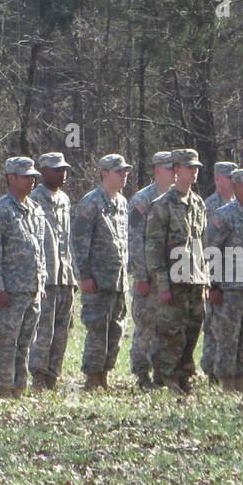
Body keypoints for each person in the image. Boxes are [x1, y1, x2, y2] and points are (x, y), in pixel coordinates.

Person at [0, 157, 47, 398]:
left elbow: (40, 249)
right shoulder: (0, 211)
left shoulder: (36, 210)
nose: (32, 180)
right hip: (9, 292)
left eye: (33, 176)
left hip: (32, 290)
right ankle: (4, 388)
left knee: (25, 343)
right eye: (26, 176)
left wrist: (42, 281)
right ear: (11, 178)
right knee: (7, 343)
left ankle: (20, 387)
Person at [144, 148, 207, 395]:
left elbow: (203, 243)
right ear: (177, 170)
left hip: (195, 280)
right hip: (173, 279)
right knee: (171, 331)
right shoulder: (162, 205)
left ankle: (184, 376)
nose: (194, 172)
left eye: (196, 168)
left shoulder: (198, 204)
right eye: (189, 167)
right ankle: (165, 377)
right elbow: (153, 247)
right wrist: (162, 283)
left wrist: (206, 278)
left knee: (193, 329)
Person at [71, 154, 132, 390]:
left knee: (116, 330)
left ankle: (105, 375)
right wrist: (84, 275)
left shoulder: (122, 202)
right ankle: (92, 378)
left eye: (125, 171)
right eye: (119, 171)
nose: (124, 175)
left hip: (118, 280)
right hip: (97, 279)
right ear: (105, 174)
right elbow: (79, 242)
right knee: (98, 330)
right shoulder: (91, 202)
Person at [205, 167, 243, 391]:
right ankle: (227, 384)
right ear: (237, 187)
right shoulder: (224, 216)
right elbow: (210, 251)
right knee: (227, 339)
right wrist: (214, 286)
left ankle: (242, 382)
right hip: (229, 290)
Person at [126, 150, 175, 388]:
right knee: (146, 326)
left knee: (167, 327)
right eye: (169, 168)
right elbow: (135, 241)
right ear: (157, 170)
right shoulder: (142, 200)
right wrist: (142, 275)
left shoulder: (177, 198)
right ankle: (142, 375)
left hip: (171, 277)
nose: (174, 173)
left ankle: (162, 373)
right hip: (149, 278)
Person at [28, 151, 76, 390]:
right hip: (46, 275)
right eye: (57, 169)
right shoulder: (34, 199)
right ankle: (38, 375)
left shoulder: (65, 200)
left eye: (64, 169)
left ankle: (53, 375)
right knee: (43, 329)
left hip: (65, 275)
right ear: (43, 172)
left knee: (62, 329)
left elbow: (67, 239)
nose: (62, 173)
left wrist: (72, 274)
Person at [201, 160, 237, 383]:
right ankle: (211, 370)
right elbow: (206, 248)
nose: (233, 182)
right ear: (217, 179)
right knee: (214, 327)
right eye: (228, 177)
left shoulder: (239, 205)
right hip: (217, 279)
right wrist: (211, 283)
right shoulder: (211, 207)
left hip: (235, 280)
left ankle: (226, 369)